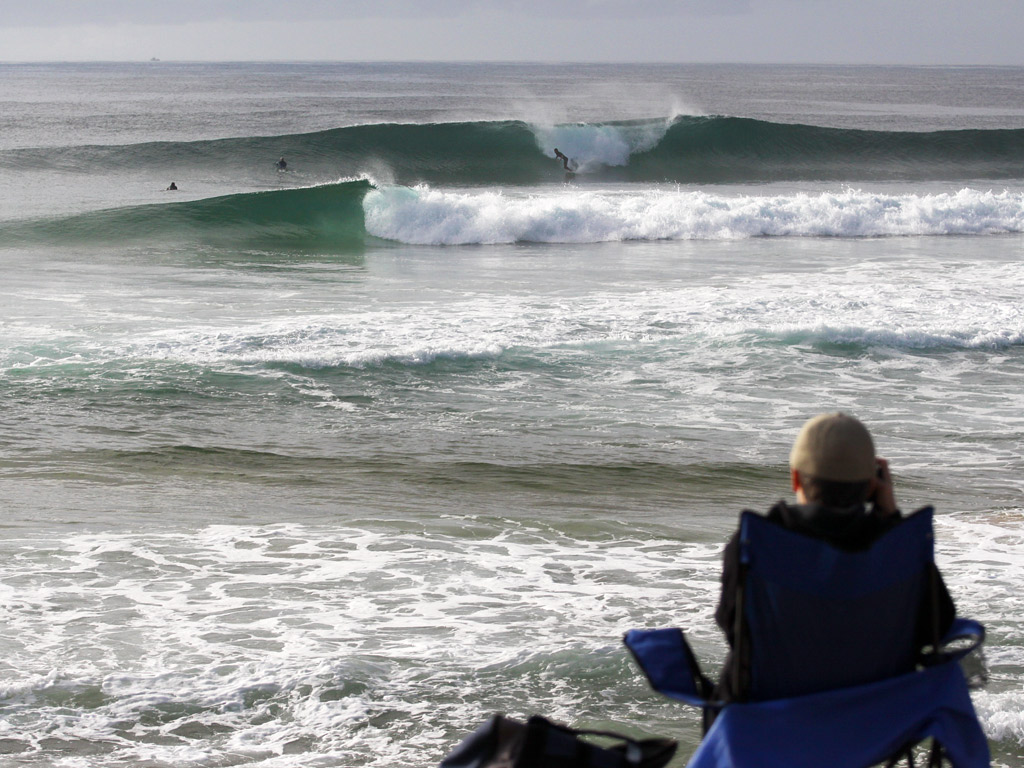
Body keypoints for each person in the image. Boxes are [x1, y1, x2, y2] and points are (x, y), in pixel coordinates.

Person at [713, 412, 955, 702]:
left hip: (771, 723)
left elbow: (733, 628)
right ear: (871, 486)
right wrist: (891, 519)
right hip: (876, 725)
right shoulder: (896, 550)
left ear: (795, 478)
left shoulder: (756, 544)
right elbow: (939, 625)